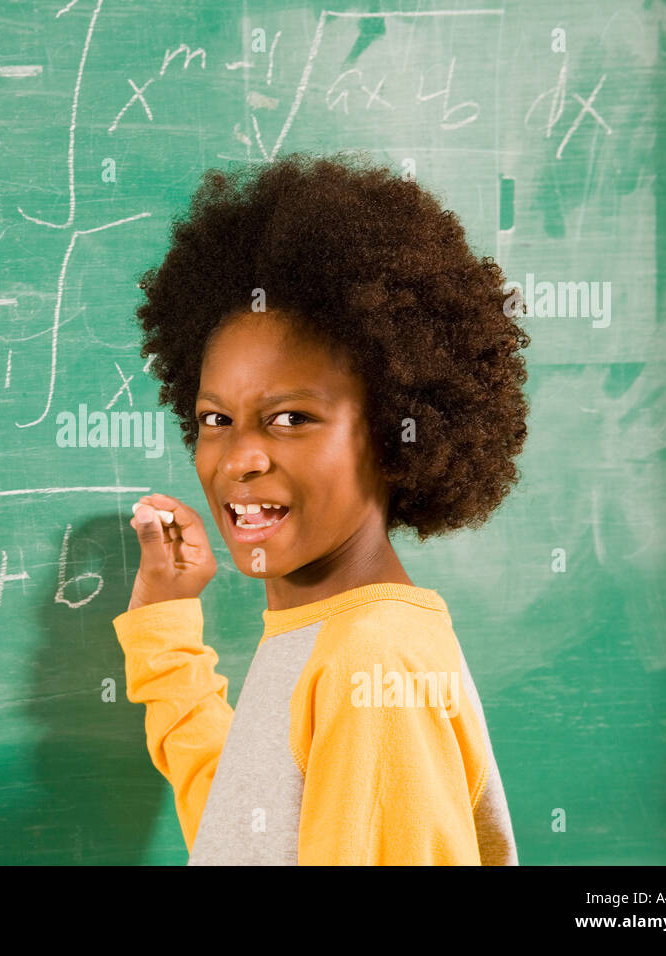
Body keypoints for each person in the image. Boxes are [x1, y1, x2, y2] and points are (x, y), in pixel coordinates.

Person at [113, 152, 530, 865]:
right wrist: (166, 634)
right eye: (216, 420)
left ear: (398, 430)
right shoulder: (326, 637)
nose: (238, 458)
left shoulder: (371, 661)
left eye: (292, 418)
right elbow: (244, 834)